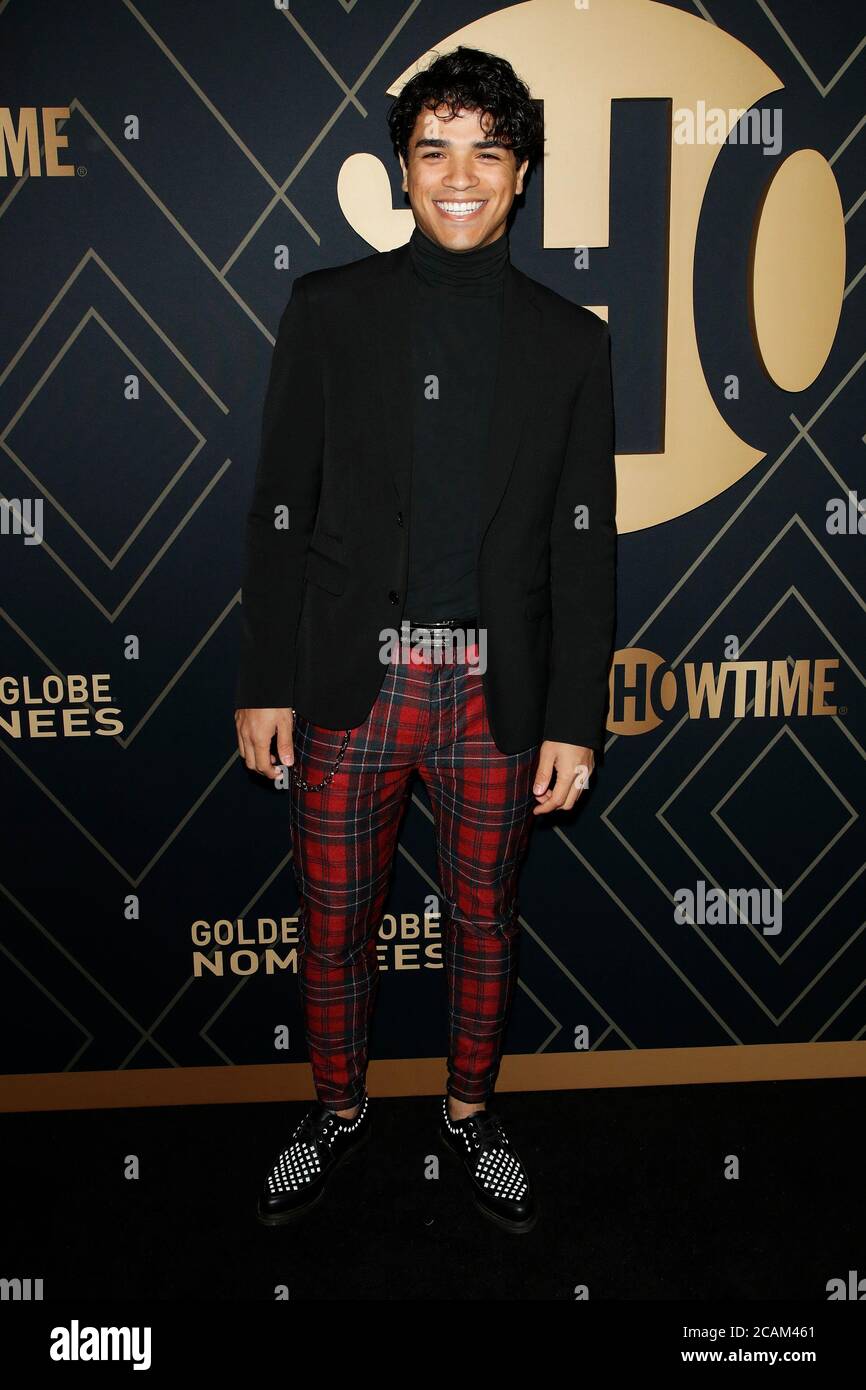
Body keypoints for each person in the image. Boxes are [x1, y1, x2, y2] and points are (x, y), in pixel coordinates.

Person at [234, 45, 617, 1235]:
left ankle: (466, 1110)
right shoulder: (329, 310)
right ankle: (338, 1110)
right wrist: (265, 679)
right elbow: (278, 503)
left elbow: (582, 541)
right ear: (403, 169)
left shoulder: (569, 340)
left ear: (520, 175)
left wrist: (571, 714)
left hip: (493, 695)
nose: (459, 177)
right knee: (333, 924)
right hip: (353, 683)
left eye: (485, 153)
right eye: (433, 150)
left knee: (483, 921)